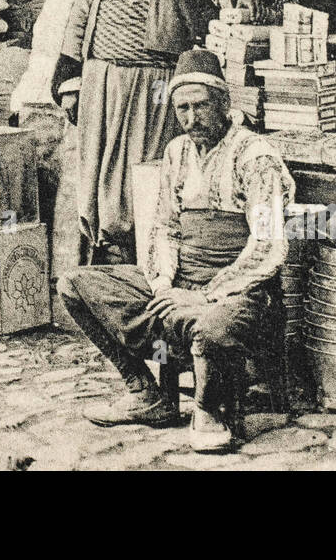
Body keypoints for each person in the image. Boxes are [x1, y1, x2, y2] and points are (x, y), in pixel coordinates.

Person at [58, 48, 295, 453]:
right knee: (74, 286)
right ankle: (147, 394)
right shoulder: (176, 152)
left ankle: (208, 409)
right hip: (182, 278)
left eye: (201, 106)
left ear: (223, 104)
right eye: (182, 108)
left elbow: (268, 246)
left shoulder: (256, 156)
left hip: (241, 289)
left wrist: (203, 295)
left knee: (212, 327)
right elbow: (165, 228)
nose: (191, 118)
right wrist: (164, 285)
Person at [52, 0, 244, 265]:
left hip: (154, 82)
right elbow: (80, 18)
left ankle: (144, 254)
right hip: (102, 79)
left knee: (145, 170)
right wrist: (69, 78)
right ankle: (105, 253)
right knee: (99, 169)